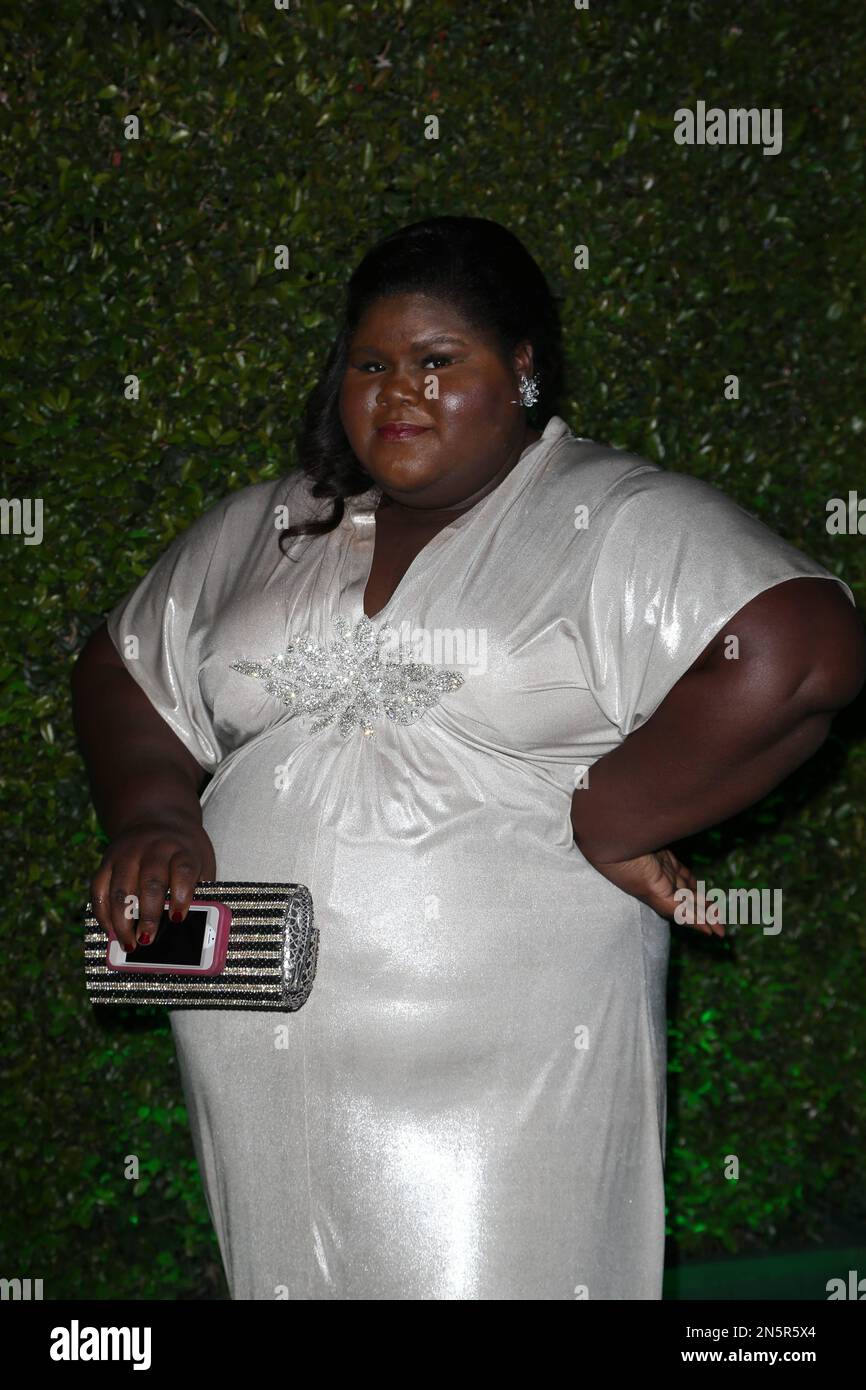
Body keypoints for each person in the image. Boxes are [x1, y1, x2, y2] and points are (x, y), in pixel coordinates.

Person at [71, 216, 865, 1301]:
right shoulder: (278, 523)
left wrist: (613, 814)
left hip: (501, 1064)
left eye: (438, 362)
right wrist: (155, 808)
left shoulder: (599, 515)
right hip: (259, 1030)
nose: (398, 392)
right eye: (371, 364)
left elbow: (795, 650)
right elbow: (123, 664)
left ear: (522, 370)